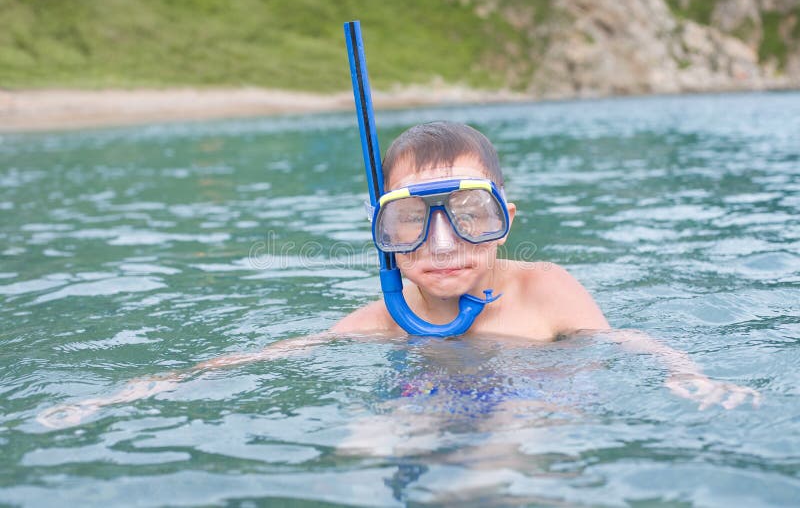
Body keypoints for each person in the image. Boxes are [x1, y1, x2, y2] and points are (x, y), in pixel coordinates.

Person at [37, 122, 759, 429]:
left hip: (530, 403)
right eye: (411, 222)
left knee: (513, 457)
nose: (443, 245)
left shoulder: (545, 290)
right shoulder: (384, 320)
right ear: (383, 236)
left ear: (506, 219)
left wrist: (686, 374)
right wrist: (144, 389)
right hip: (421, 402)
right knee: (364, 452)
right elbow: (274, 355)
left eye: (470, 216)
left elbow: (627, 342)